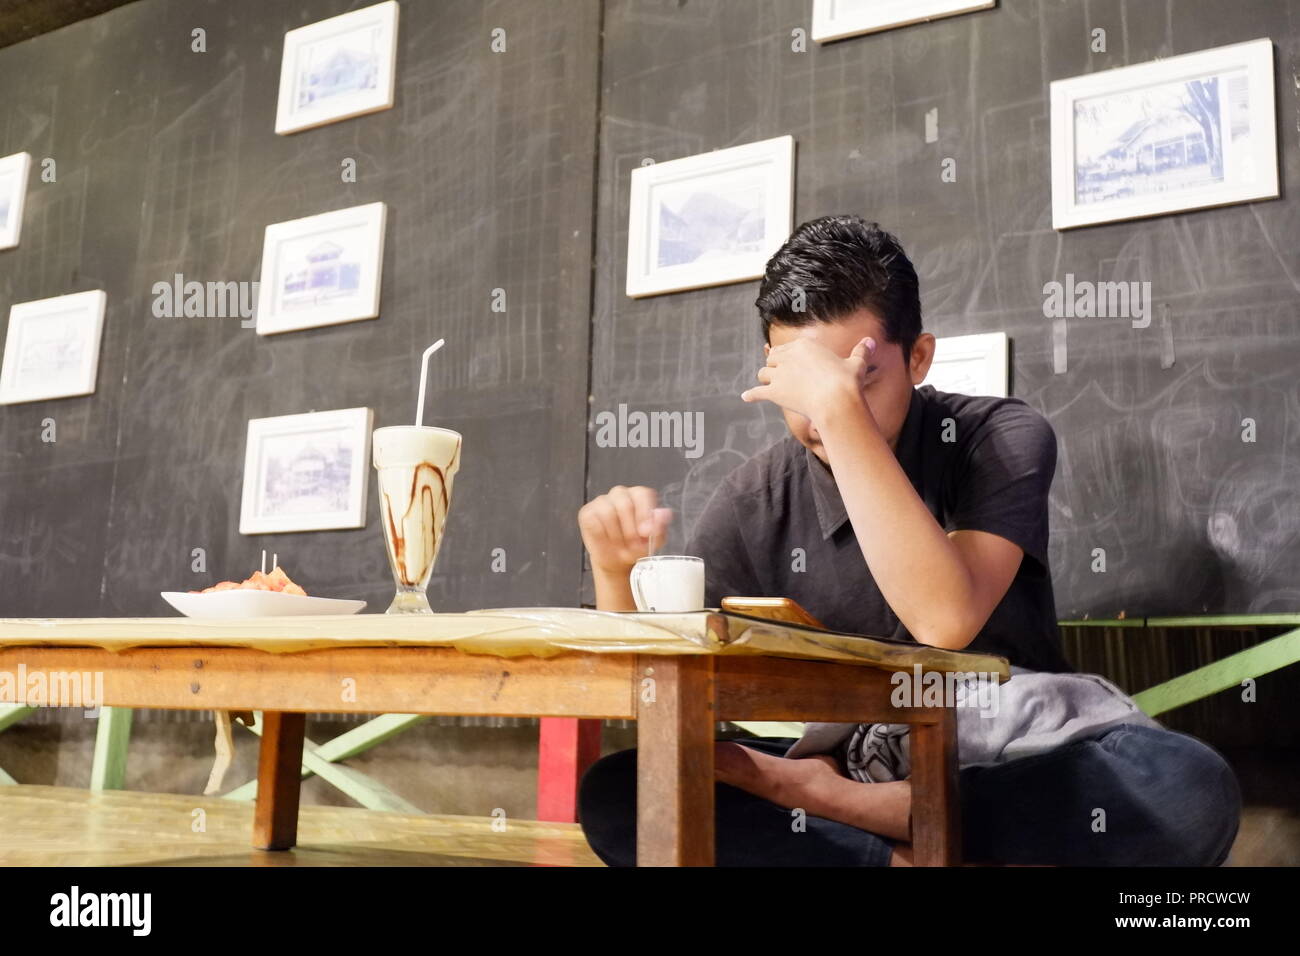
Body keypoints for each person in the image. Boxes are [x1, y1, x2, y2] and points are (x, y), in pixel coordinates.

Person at [575, 215, 1241, 867]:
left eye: (857, 377)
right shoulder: (755, 498)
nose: (818, 414)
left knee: (1186, 789)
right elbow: (663, 691)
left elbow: (945, 620)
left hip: (1007, 753)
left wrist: (840, 411)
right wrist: (615, 573)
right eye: (803, 385)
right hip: (851, 757)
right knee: (622, 793)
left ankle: (868, 815)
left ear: (917, 357)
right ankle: (906, 835)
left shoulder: (997, 437)